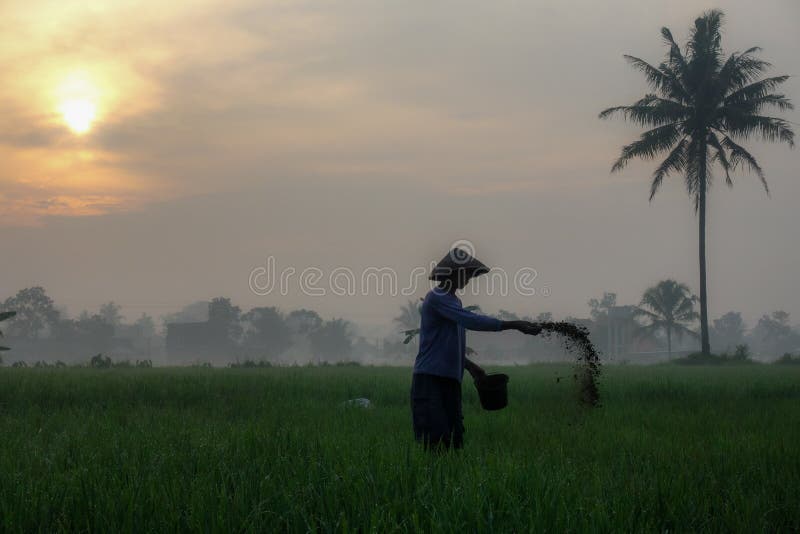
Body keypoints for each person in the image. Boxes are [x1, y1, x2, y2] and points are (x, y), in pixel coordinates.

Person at [410, 247, 542, 451]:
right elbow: (470, 320)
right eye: (467, 274)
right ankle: (431, 480)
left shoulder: (454, 301)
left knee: (455, 437)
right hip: (430, 378)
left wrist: (471, 367)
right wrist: (514, 324)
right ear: (454, 273)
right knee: (436, 438)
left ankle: (450, 480)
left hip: (450, 379)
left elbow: (449, 344)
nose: (469, 279)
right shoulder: (436, 297)